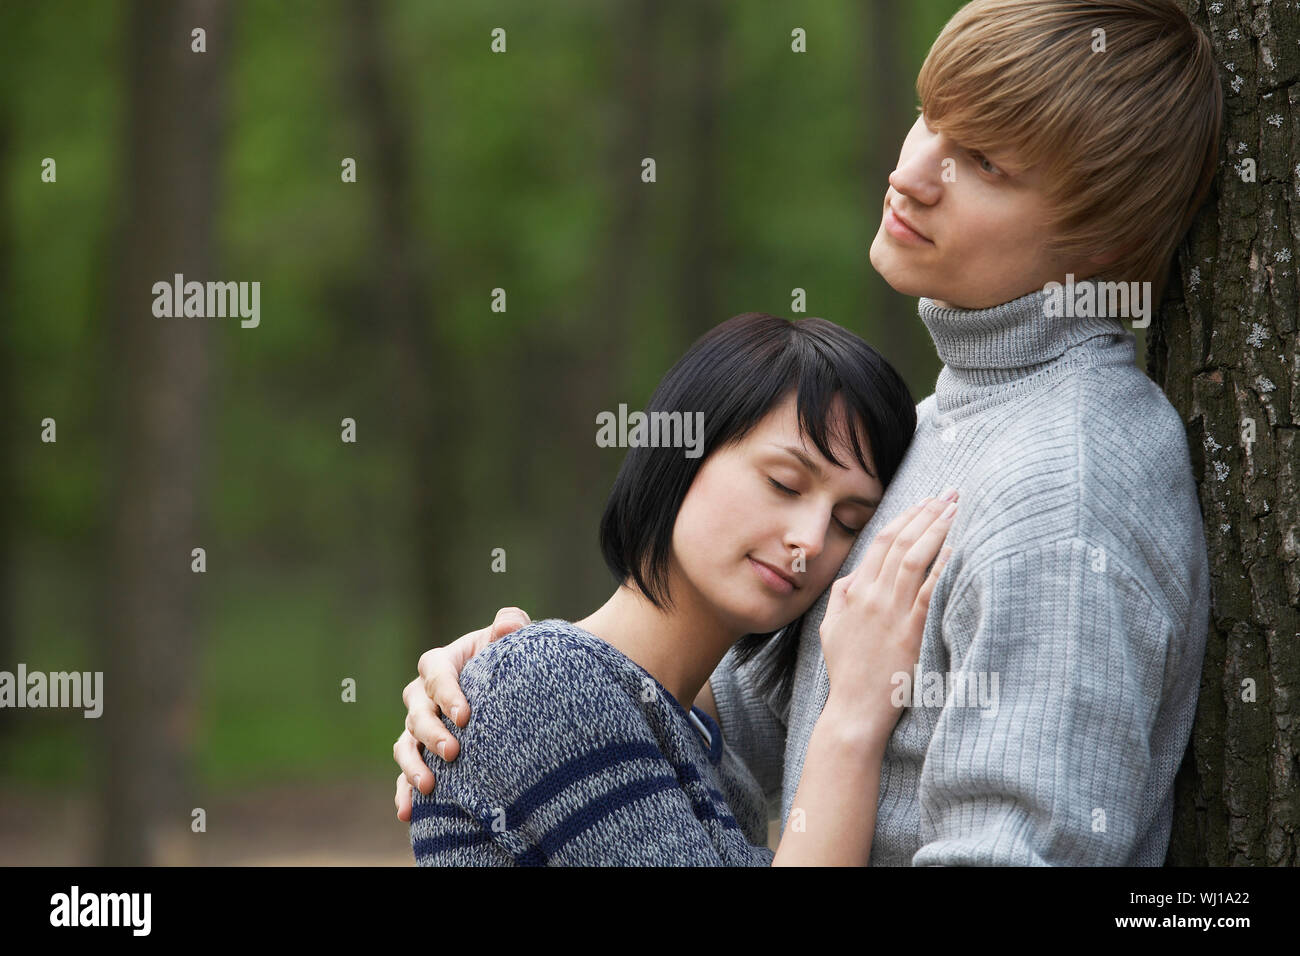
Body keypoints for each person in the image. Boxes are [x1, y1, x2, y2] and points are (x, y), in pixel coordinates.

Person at [397, 0, 1220, 865]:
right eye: (929, 119)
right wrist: (508, 692)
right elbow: (733, 736)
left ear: (1098, 240)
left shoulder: (1065, 490)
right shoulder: (932, 432)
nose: (912, 174)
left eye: (983, 163)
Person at [408, 312, 948, 865]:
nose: (809, 541)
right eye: (784, 484)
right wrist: (852, 718)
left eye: (848, 523)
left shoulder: (713, 759)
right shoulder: (545, 682)